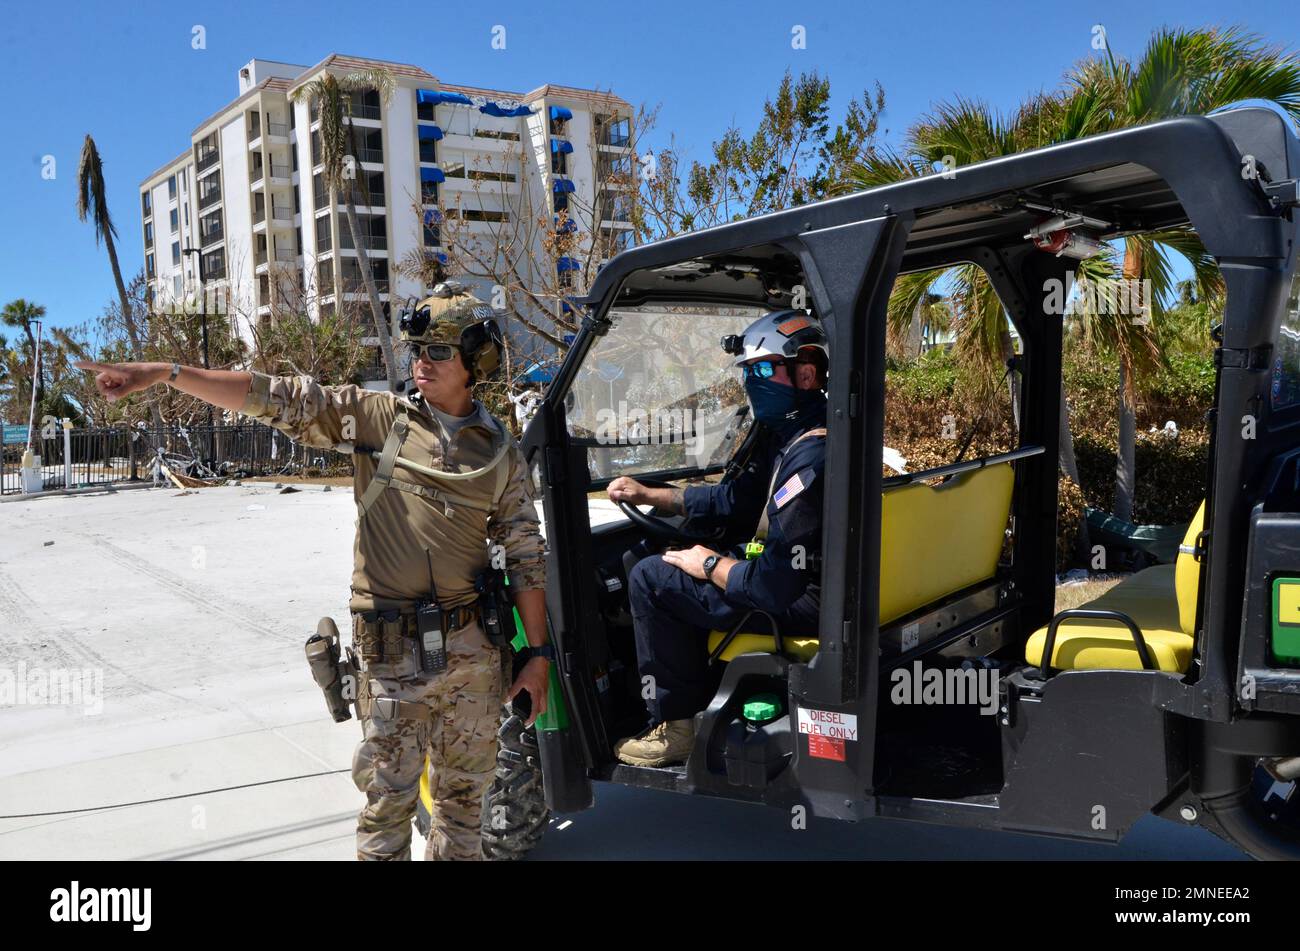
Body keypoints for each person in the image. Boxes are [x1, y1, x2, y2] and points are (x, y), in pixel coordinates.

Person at [76, 283, 553, 860]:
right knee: (387, 813)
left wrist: (538, 658)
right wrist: (164, 371)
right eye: (417, 349)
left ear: (476, 362)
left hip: (474, 659)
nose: (420, 361)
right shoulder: (376, 421)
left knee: (463, 814)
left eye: (438, 351)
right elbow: (275, 397)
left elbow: (526, 557)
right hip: (394, 657)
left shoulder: (499, 452)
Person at [606, 310, 829, 766]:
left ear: (805, 374)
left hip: (806, 600)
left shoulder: (811, 456)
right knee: (667, 557)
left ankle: (677, 724)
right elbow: (740, 501)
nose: (752, 381)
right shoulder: (798, 434)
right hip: (808, 580)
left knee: (651, 575)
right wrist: (657, 495)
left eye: (762, 370)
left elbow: (772, 586)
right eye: (747, 371)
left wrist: (708, 565)